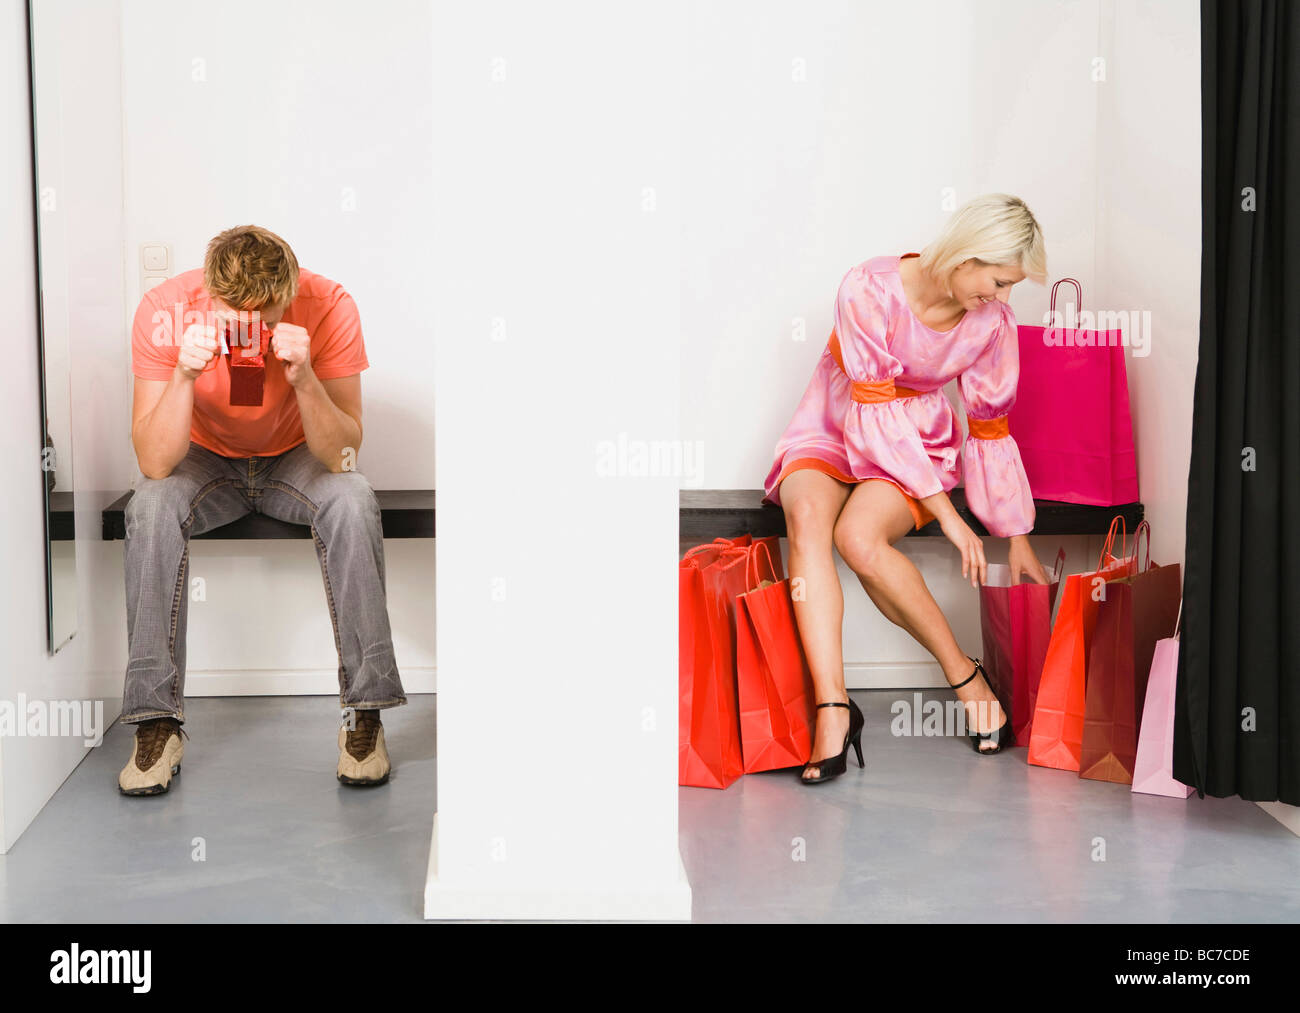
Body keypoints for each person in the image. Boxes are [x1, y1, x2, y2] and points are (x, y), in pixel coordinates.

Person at [761, 194, 1050, 784]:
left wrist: (1016, 534)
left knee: (859, 539)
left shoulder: (991, 324)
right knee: (807, 522)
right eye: (998, 280)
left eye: (1011, 286)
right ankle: (833, 709)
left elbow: (989, 424)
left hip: (915, 442)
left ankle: (965, 676)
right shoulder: (868, 287)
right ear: (967, 256)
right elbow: (869, 405)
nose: (1002, 298)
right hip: (833, 424)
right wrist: (947, 516)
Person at [117, 224, 406, 795]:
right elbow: (154, 463)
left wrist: (304, 379)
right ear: (209, 292)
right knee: (150, 506)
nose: (251, 327)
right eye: (235, 315)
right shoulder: (164, 309)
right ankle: (156, 721)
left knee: (353, 499)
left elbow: (344, 455)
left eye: (266, 315)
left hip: (295, 458)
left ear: (290, 291)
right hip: (204, 462)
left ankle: (364, 714)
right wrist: (183, 374)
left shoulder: (331, 305)